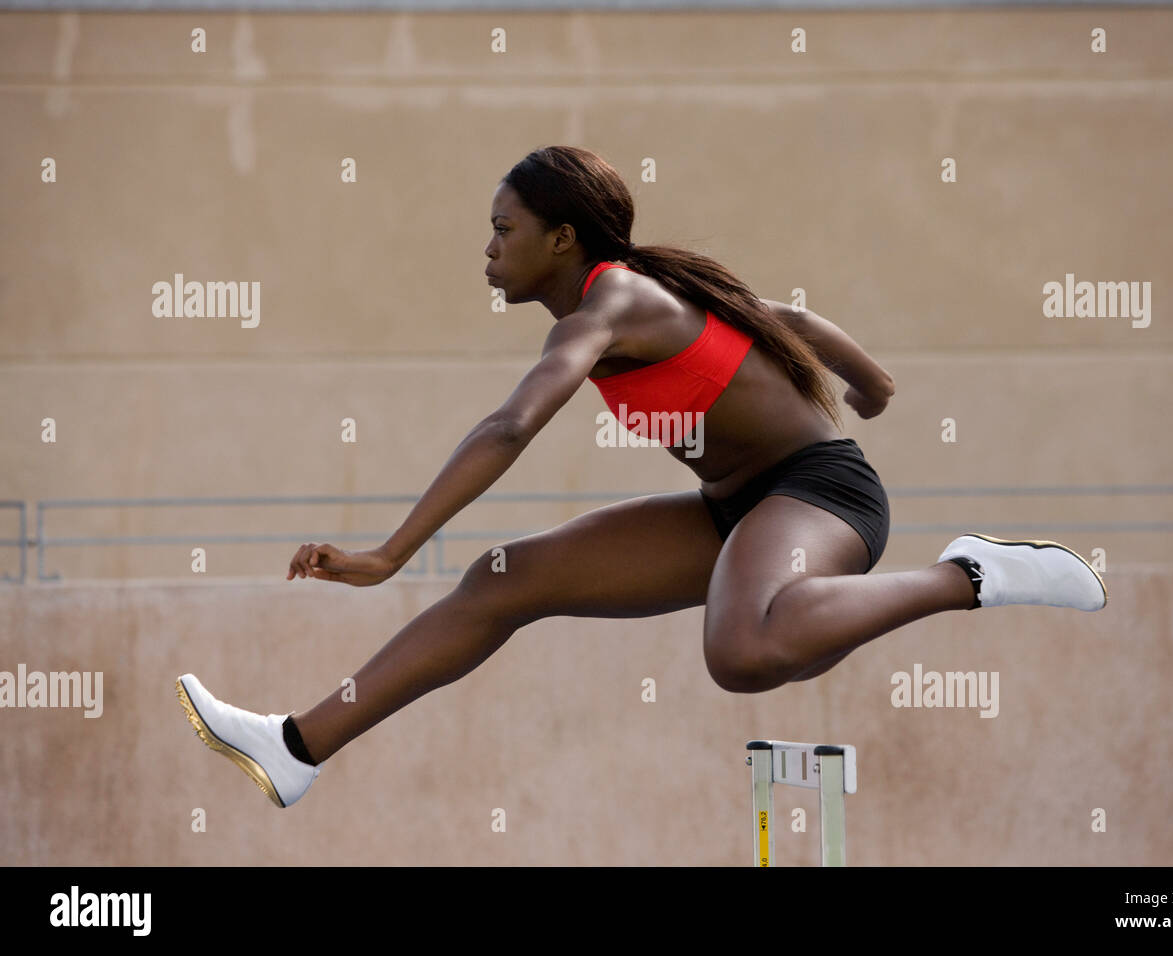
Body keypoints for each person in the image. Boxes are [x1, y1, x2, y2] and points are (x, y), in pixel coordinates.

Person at [176, 146, 1106, 809]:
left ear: (564, 239)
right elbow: (786, 318)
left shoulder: (607, 301)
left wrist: (388, 555)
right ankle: (297, 746)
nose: (488, 249)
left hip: (821, 493)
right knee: (507, 578)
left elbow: (511, 425)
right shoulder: (649, 289)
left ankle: (973, 574)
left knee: (742, 652)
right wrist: (874, 385)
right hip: (732, 508)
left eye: (504, 230)